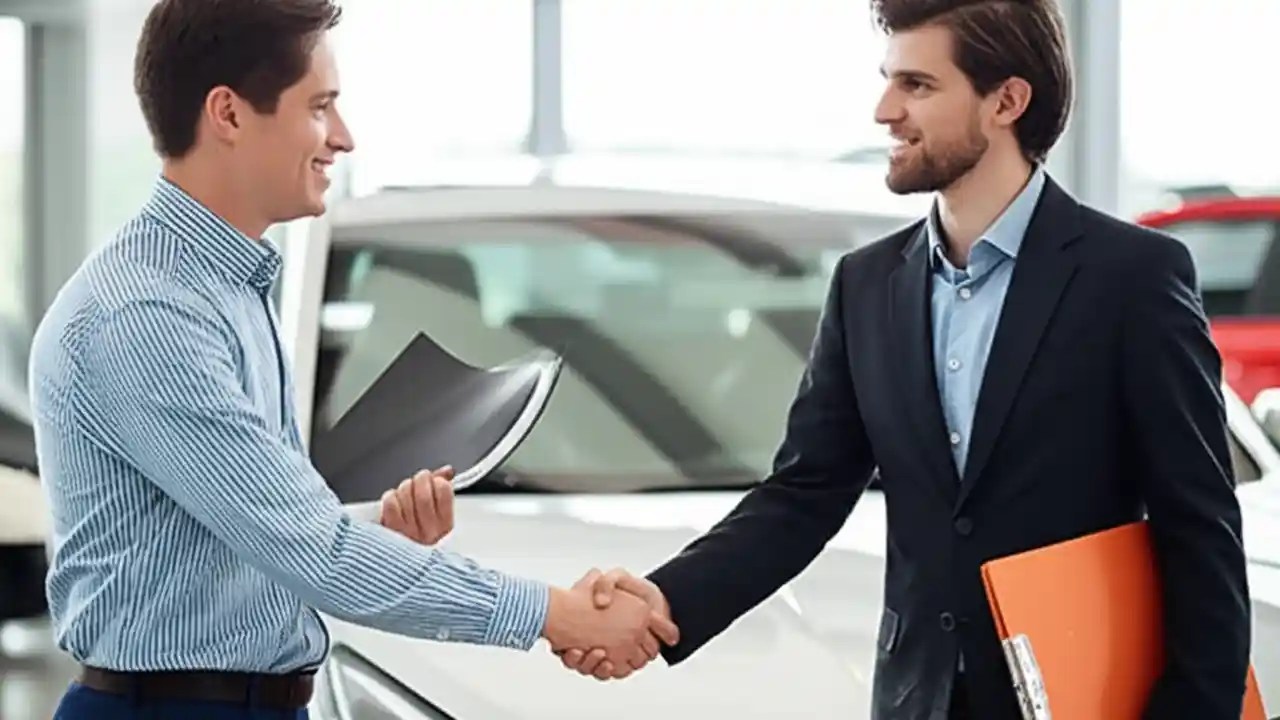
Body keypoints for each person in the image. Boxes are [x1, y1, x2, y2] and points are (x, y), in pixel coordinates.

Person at [559, 0, 1253, 717]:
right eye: (889, 80)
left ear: (1007, 102)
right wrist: (668, 599)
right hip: (916, 699)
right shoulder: (866, 285)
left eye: (918, 86)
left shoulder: (1131, 277)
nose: (885, 110)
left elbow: (1198, 524)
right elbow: (804, 494)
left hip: (1086, 697)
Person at [28, 1, 675, 718]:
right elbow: (310, 550)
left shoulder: (229, 289)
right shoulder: (147, 316)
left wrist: (376, 537)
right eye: (320, 107)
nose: (342, 137)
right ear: (230, 115)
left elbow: (235, 542)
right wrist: (555, 613)